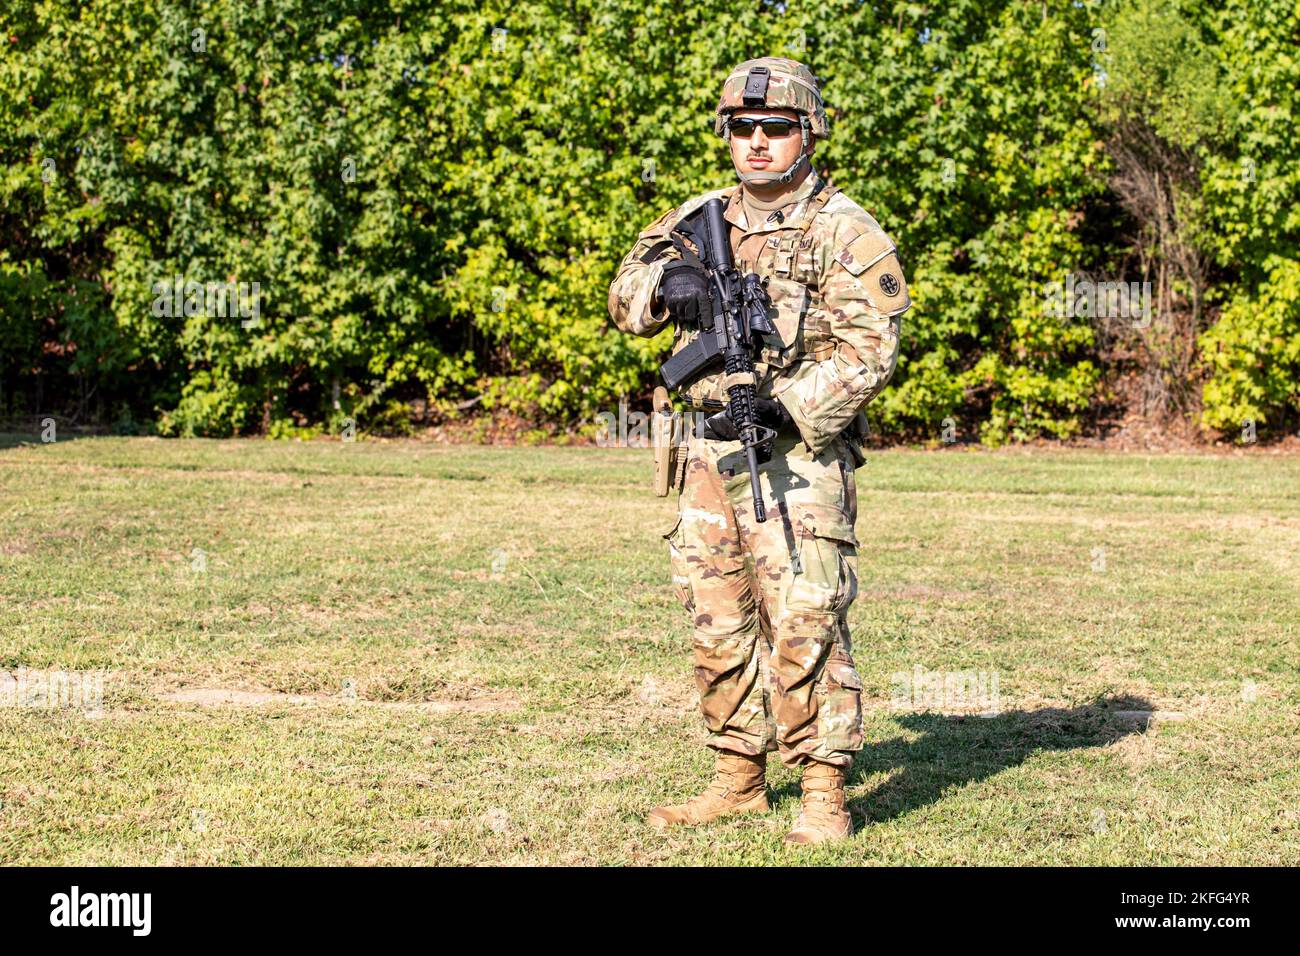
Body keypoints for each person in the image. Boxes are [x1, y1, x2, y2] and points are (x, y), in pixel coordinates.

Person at [607, 57, 910, 845]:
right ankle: (737, 779)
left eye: (775, 129)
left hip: (796, 457)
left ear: (808, 134)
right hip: (703, 457)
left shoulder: (845, 228)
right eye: (742, 130)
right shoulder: (696, 217)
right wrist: (666, 287)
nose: (757, 143)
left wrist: (787, 401)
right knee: (716, 620)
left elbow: (871, 349)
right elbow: (624, 296)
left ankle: (821, 792)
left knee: (805, 616)